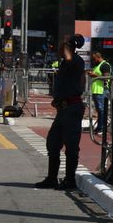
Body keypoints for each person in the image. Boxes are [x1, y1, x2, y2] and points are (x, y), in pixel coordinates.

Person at [35, 36, 85, 190]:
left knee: (71, 146)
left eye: (61, 47)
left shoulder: (76, 61)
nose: (58, 49)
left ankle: (70, 180)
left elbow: (69, 58)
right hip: (63, 109)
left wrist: (66, 43)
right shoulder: (65, 63)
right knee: (53, 143)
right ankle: (52, 178)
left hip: (72, 109)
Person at [87, 51, 112, 134]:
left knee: (101, 110)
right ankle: (100, 127)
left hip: (101, 90)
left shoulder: (105, 65)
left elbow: (106, 77)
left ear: (98, 57)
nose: (93, 60)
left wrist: (94, 75)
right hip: (96, 91)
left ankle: (101, 128)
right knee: (100, 110)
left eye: (94, 59)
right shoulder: (97, 65)